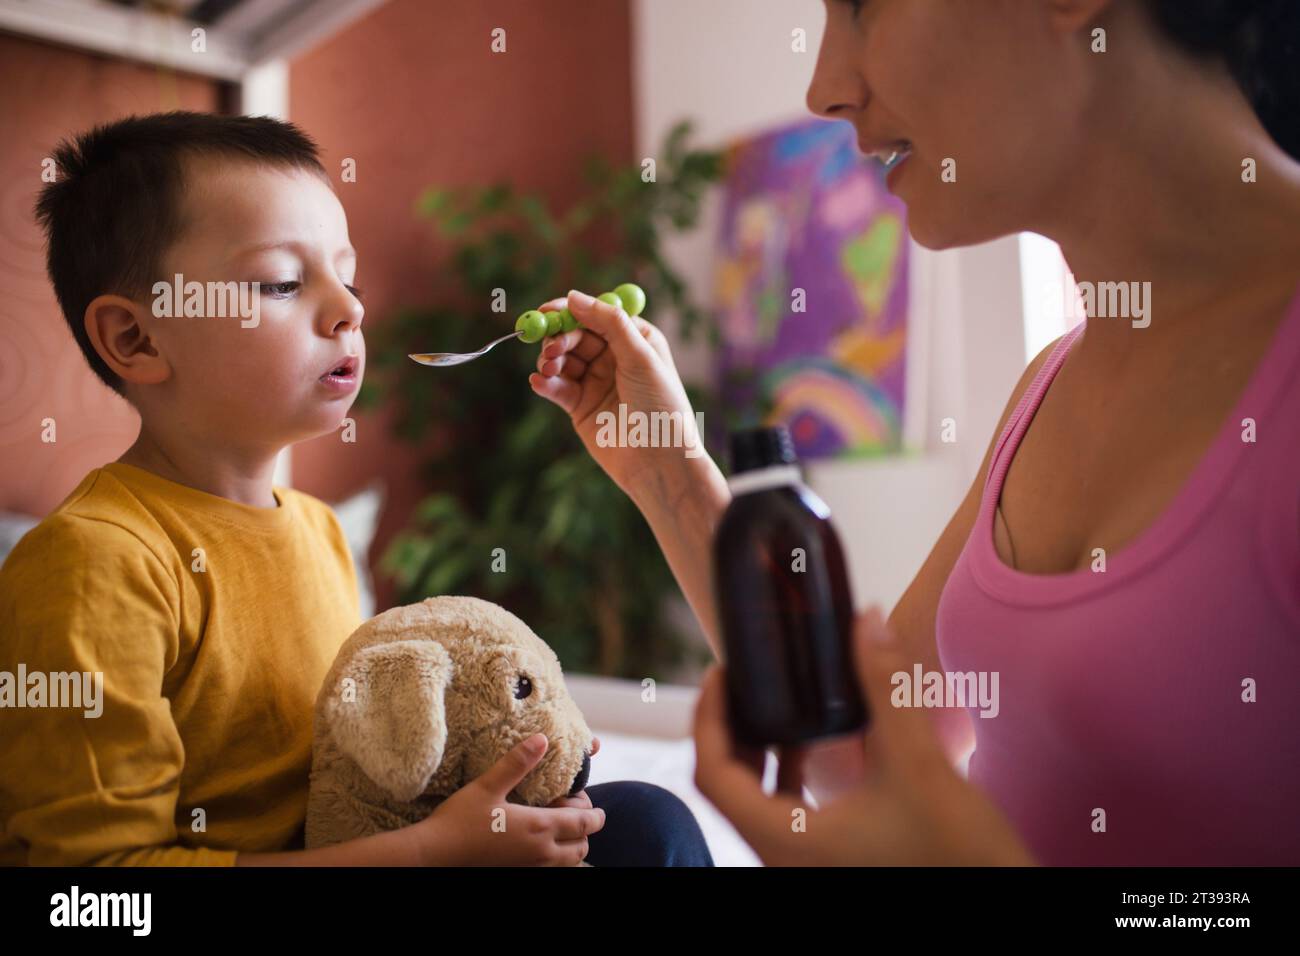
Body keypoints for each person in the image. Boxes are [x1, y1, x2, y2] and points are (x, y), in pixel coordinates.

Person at [528, 0, 1300, 865]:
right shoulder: (1050, 383)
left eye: (862, 6)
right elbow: (856, 751)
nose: (823, 87)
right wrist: (666, 469)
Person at [0, 112, 711, 867]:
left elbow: (358, 767)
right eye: (280, 281)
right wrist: (429, 854)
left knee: (640, 823)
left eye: (349, 277)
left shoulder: (318, 531)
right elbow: (89, 899)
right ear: (137, 339)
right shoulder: (94, 565)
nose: (351, 309)